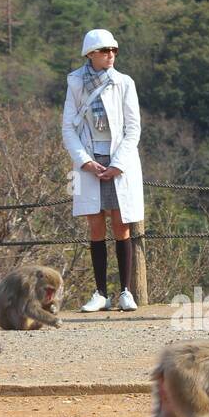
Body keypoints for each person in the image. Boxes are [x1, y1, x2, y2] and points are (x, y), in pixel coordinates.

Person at [62, 29, 145, 312]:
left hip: (118, 159)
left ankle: (125, 291)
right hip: (89, 159)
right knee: (95, 225)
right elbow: (68, 127)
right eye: (104, 50)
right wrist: (83, 160)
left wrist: (118, 163)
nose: (110, 55)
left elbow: (133, 127)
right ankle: (100, 292)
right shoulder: (75, 82)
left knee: (121, 225)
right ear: (90, 54)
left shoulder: (124, 82)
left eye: (113, 50)